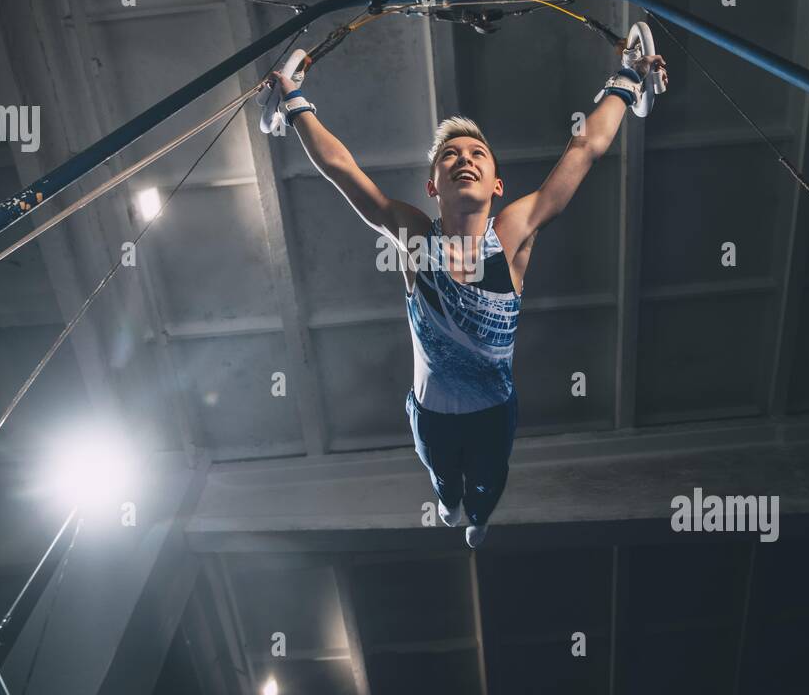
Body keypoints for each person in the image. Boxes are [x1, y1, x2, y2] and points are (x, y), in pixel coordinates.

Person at [262, 30, 667, 547]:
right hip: (431, 415)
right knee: (443, 484)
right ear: (433, 186)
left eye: (477, 154)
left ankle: (475, 515)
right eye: (450, 156)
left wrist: (627, 80)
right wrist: (295, 101)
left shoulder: (513, 232)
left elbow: (584, 150)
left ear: (497, 184)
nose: (465, 160)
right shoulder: (412, 235)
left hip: (494, 413)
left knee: (484, 493)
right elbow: (343, 170)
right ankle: (449, 504)